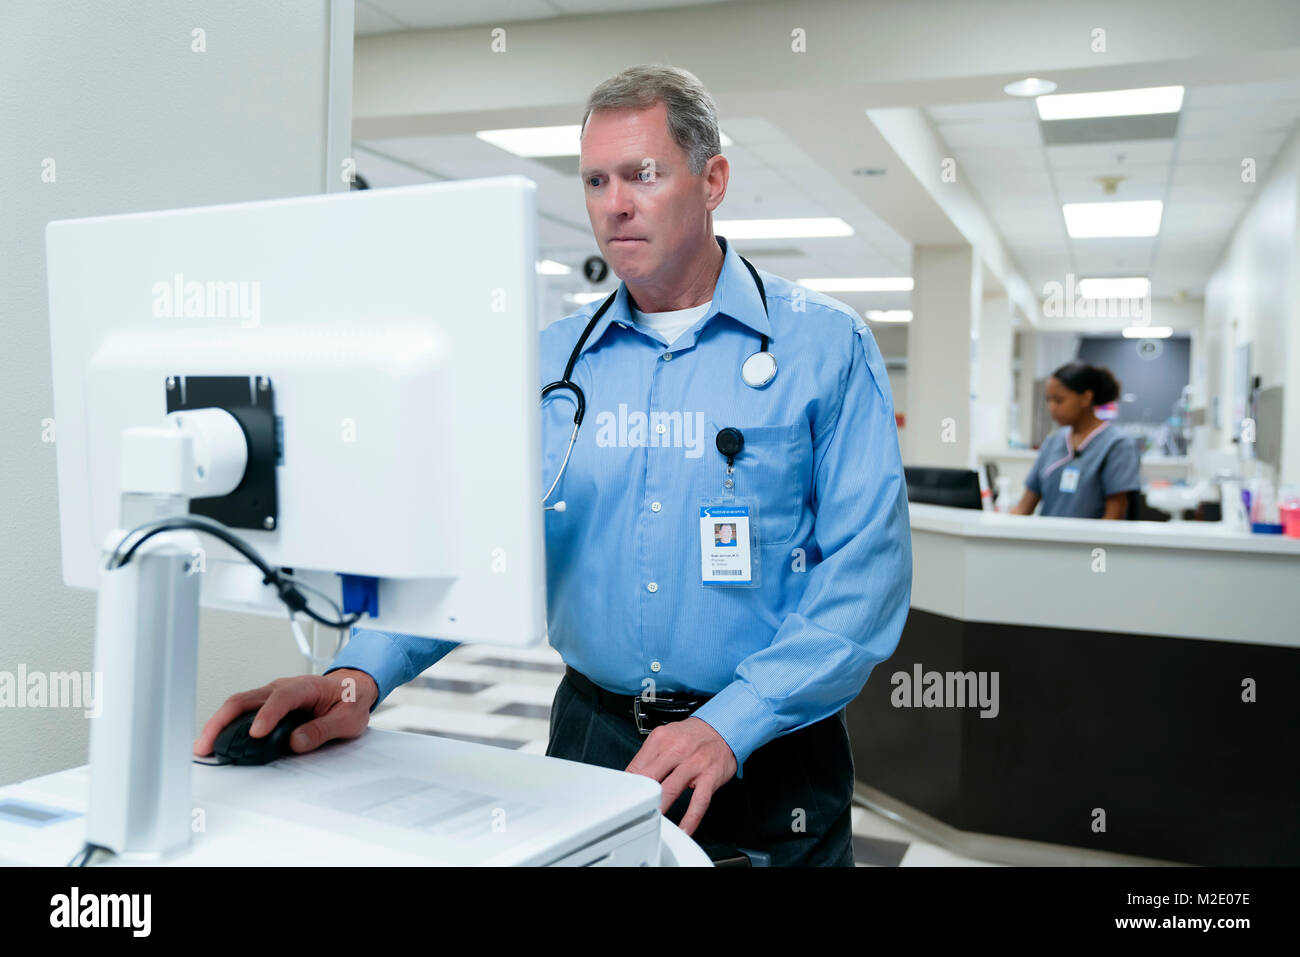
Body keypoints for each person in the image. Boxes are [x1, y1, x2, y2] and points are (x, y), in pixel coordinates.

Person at [194, 64, 912, 867]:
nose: (616, 203)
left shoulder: (825, 346)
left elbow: (863, 582)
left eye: (643, 174)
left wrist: (733, 721)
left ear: (713, 181)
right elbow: (474, 546)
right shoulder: (548, 364)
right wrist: (358, 676)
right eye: (596, 180)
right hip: (593, 740)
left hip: (772, 749)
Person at [1009, 361, 1141, 519]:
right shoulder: (1053, 441)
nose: (1052, 408)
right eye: (1048, 401)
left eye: (1059, 400)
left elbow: (1114, 515)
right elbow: (1024, 507)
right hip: (1048, 540)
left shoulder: (1117, 444)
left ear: (1086, 398)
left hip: (1092, 542)